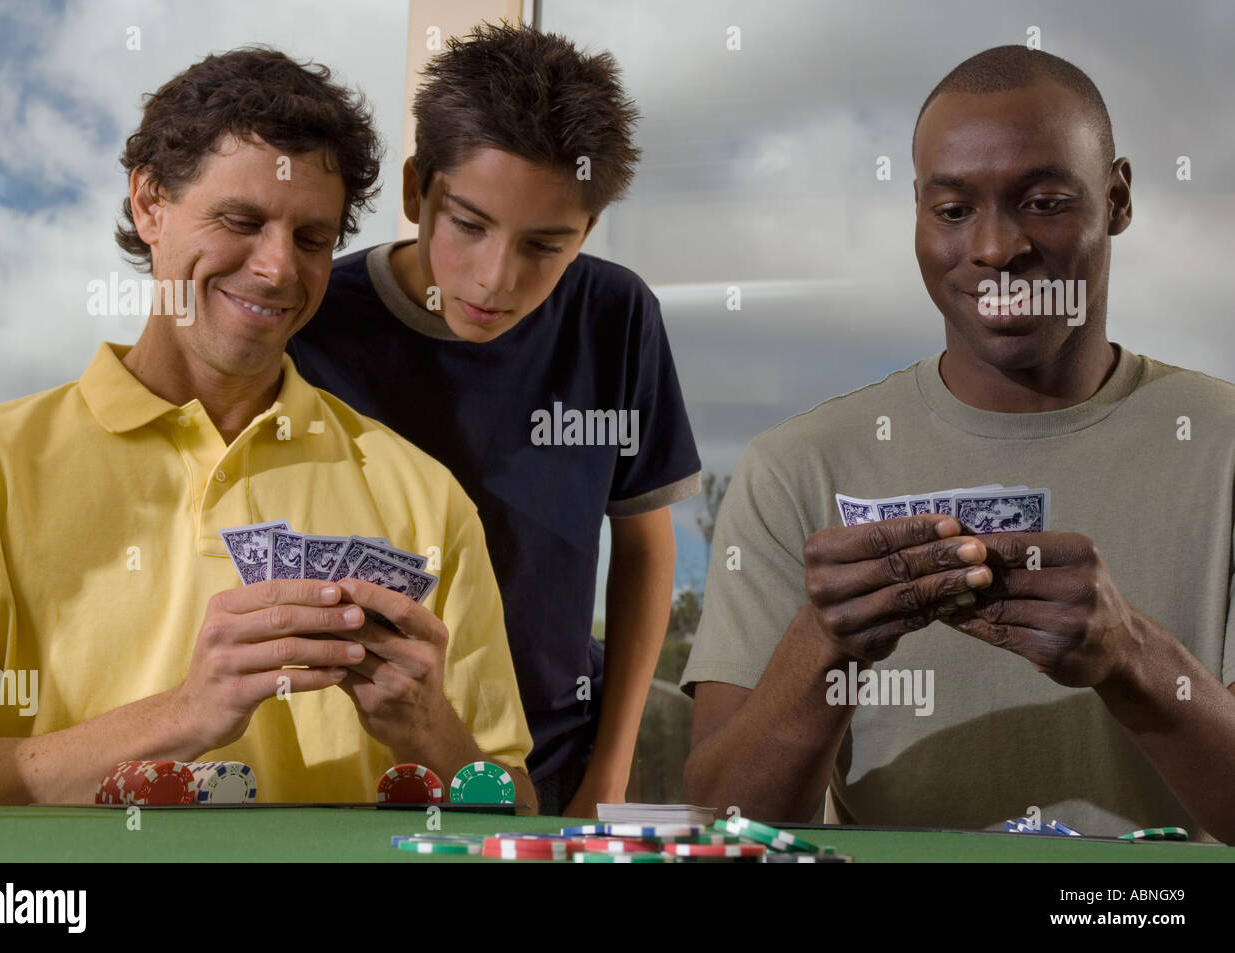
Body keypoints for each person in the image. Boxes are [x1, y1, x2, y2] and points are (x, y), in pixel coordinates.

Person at [0, 47, 534, 807]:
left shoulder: (426, 496)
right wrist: (184, 715)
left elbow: (512, 802)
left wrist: (429, 730)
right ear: (150, 204)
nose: (279, 268)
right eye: (241, 220)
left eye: (313, 239)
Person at [682, 45, 1235, 843]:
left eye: (1044, 201)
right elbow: (720, 832)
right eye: (951, 210)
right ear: (916, 211)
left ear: (1116, 198)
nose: (994, 247)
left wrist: (1134, 659)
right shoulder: (797, 469)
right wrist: (825, 645)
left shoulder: (1220, 446)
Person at [288, 23, 701, 816]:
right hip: (351, 761)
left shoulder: (616, 315)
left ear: (586, 232)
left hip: (555, 755)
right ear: (417, 190)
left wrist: (606, 777)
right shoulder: (312, 320)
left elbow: (646, 545)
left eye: (545, 245)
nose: (494, 278)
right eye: (468, 225)